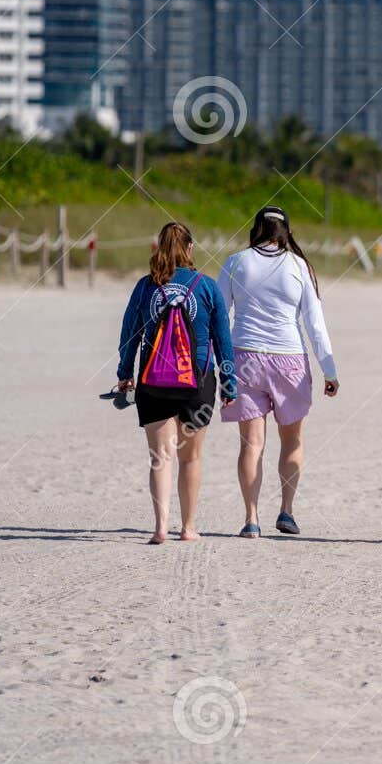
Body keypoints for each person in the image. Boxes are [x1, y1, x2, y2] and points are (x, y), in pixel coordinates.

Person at [217, 207, 339, 538]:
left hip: (245, 358)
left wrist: (219, 363)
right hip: (290, 361)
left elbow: (220, 317)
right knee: (293, 439)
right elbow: (315, 324)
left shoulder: (236, 262)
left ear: (256, 229)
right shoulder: (299, 266)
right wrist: (330, 370)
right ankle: (286, 511)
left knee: (251, 444)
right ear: (286, 232)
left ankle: (251, 518)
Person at [116, 222, 235, 544]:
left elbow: (129, 335)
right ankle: (188, 527)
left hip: (152, 382)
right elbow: (223, 340)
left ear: (158, 248)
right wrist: (229, 384)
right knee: (191, 458)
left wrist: (124, 373)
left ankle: (160, 527)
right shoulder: (207, 287)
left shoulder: (145, 287)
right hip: (197, 383)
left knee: (160, 457)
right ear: (191, 249)